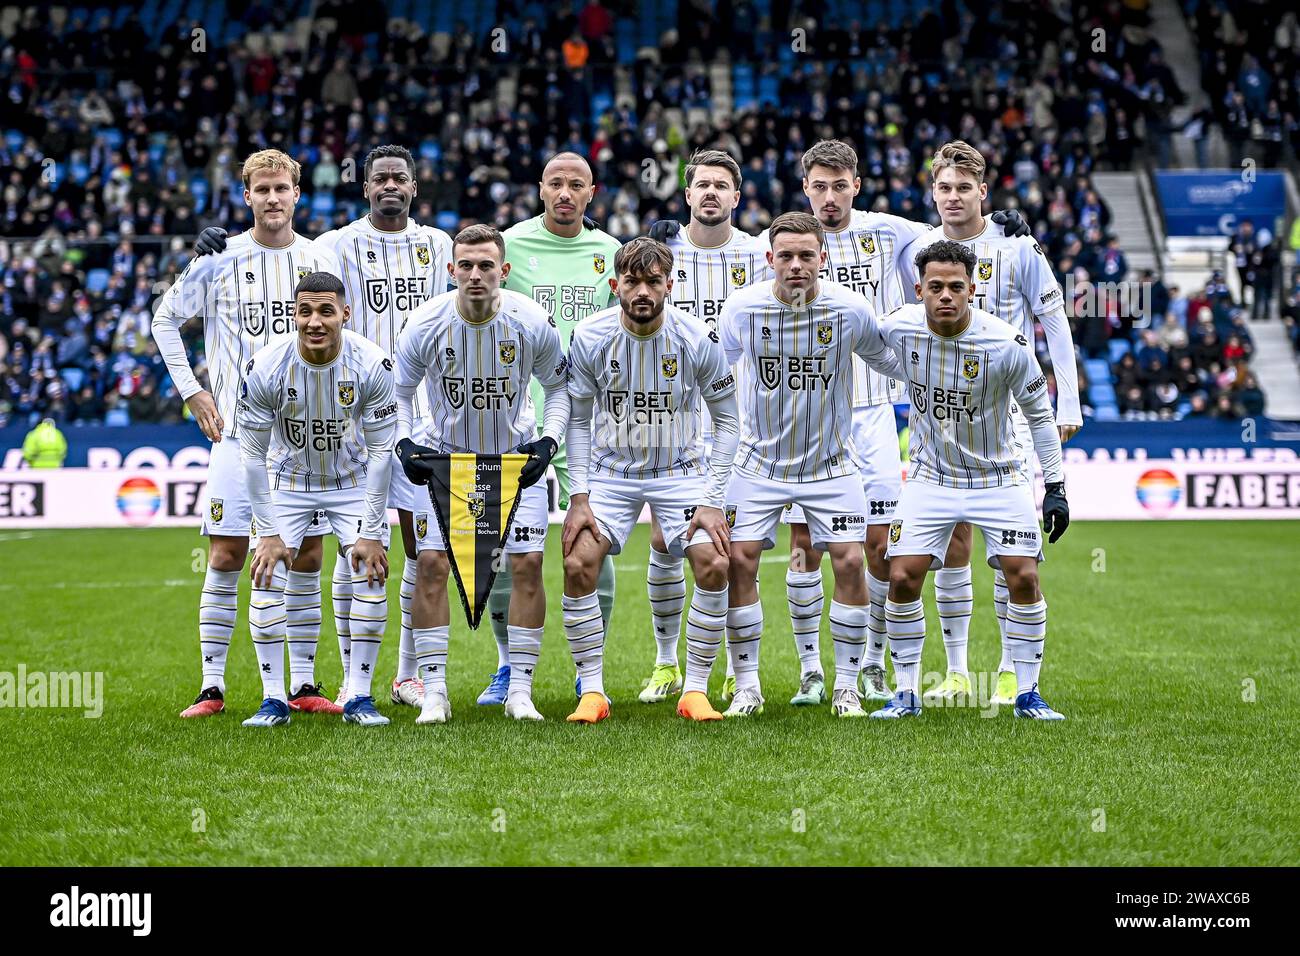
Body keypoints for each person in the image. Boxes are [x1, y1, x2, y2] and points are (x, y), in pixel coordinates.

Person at [191, 144, 455, 710]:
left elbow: (490, 274)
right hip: (314, 418)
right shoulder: (332, 246)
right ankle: (311, 686)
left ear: (414, 185)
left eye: (399, 177)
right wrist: (211, 254)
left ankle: (405, 675)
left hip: (414, 418)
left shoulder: (442, 246)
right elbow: (269, 261)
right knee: (305, 553)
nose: (389, 185)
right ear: (364, 187)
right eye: (378, 177)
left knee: (418, 549)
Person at [773, 139, 1034, 708]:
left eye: (840, 185)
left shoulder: (889, 232)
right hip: (809, 412)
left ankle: (871, 663)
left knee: (880, 546)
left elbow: (954, 233)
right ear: (805, 189)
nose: (829, 197)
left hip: (874, 413)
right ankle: (810, 671)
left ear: (857, 186)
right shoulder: (790, 242)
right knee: (804, 542)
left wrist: (1001, 231)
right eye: (818, 185)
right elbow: (737, 252)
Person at [151, 149, 342, 719]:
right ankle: (212, 687)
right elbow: (164, 319)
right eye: (262, 190)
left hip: (304, 437)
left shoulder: (318, 258)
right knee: (228, 554)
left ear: (298, 194)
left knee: (306, 556)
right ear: (247, 196)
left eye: (282, 188)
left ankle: (303, 684)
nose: (273, 198)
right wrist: (193, 391)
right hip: (237, 436)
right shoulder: (218, 257)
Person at [898, 141, 1081, 707]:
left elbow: (1055, 320)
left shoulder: (1019, 245)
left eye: (964, 187)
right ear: (933, 193)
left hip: (1012, 407)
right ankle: (955, 669)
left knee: (1011, 550)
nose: (954, 197)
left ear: (984, 190)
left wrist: (1068, 403)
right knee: (951, 538)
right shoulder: (925, 249)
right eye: (944, 188)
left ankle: (1009, 669)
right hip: (947, 402)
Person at [717, 211, 907, 719]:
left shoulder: (850, 309)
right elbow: (714, 369)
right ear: (768, 259)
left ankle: (846, 686)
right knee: (739, 562)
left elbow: (888, 361)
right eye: (786, 256)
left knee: (850, 561)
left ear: (823, 258)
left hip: (831, 464)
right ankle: (747, 686)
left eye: (807, 256)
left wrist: (932, 348)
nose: (796, 265)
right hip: (757, 465)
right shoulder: (742, 308)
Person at [874, 240, 1069, 720]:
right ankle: (905, 694)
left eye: (956, 287)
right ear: (918, 289)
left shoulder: (1006, 344)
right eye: (935, 287)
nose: (945, 296)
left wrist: (1056, 487)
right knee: (901, 576)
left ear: (973, 289)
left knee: (1022, 575)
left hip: (999, 478)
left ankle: (1027, 693)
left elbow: (1040, 417)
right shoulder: (898, 327)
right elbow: (860, 345)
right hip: (929, 478)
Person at [393, 224, 570, 723]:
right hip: (445, 463)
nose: (475, 275)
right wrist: (406, 441)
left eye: (486, 266)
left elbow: (558, 388)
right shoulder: (424, 323)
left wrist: (549, 442)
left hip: (514, 463)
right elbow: (400, 393)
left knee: (527, 568)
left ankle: (520, 691)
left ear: (504, 272)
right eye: (465, 266)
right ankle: (435, 692)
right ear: (451, 271)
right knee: (430, 567)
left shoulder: (531, 320)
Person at [561, 237, 740, 723]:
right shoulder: (589, 336)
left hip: (681, 473)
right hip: (611, 474)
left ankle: (695, 690)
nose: (643, 291)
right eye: (633, 282)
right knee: (578, 563)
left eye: (653, 281)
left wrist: (710, 499)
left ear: (669, 285)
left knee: (714, 563)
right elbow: (577, 421)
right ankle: (593, 692)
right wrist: (578, 496)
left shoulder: (696, 339)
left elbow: (727, 421)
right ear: (616, 285)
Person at [480, 152, 621, 707]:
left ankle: (591, 675)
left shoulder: (608, 253)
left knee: (591, 551)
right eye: (556, 183)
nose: (565, 193)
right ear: (540, 188)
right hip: (515, 423)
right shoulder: (509, 246)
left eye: (576, 185)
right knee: (508, 556)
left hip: (589, 426)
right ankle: (508, 667)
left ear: (592, 193)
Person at [632, 148, 770, 705]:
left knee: (731, 551)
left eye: (722, 185)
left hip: (745, 420)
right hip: (675, 418)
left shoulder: (761, 255)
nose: (711, 193)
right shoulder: (660, 255)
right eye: (701, 185)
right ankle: (667, 663)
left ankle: (742, 673)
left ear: (737, 197)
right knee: (666, 541)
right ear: (687, 195)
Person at [237, 272, 397, 727]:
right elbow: (251, 454)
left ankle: (359, 698)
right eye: (304, 311)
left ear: (345, 313)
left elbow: (383, 451)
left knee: (370, 572)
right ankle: (273, 700)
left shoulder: (372, 365)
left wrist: (369, 531)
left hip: (351, 481)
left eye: (326, 311)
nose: (314, 322)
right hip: (288, 482)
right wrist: (267, 532)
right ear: (293, 314)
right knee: (267, 575)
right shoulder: (266, 367)